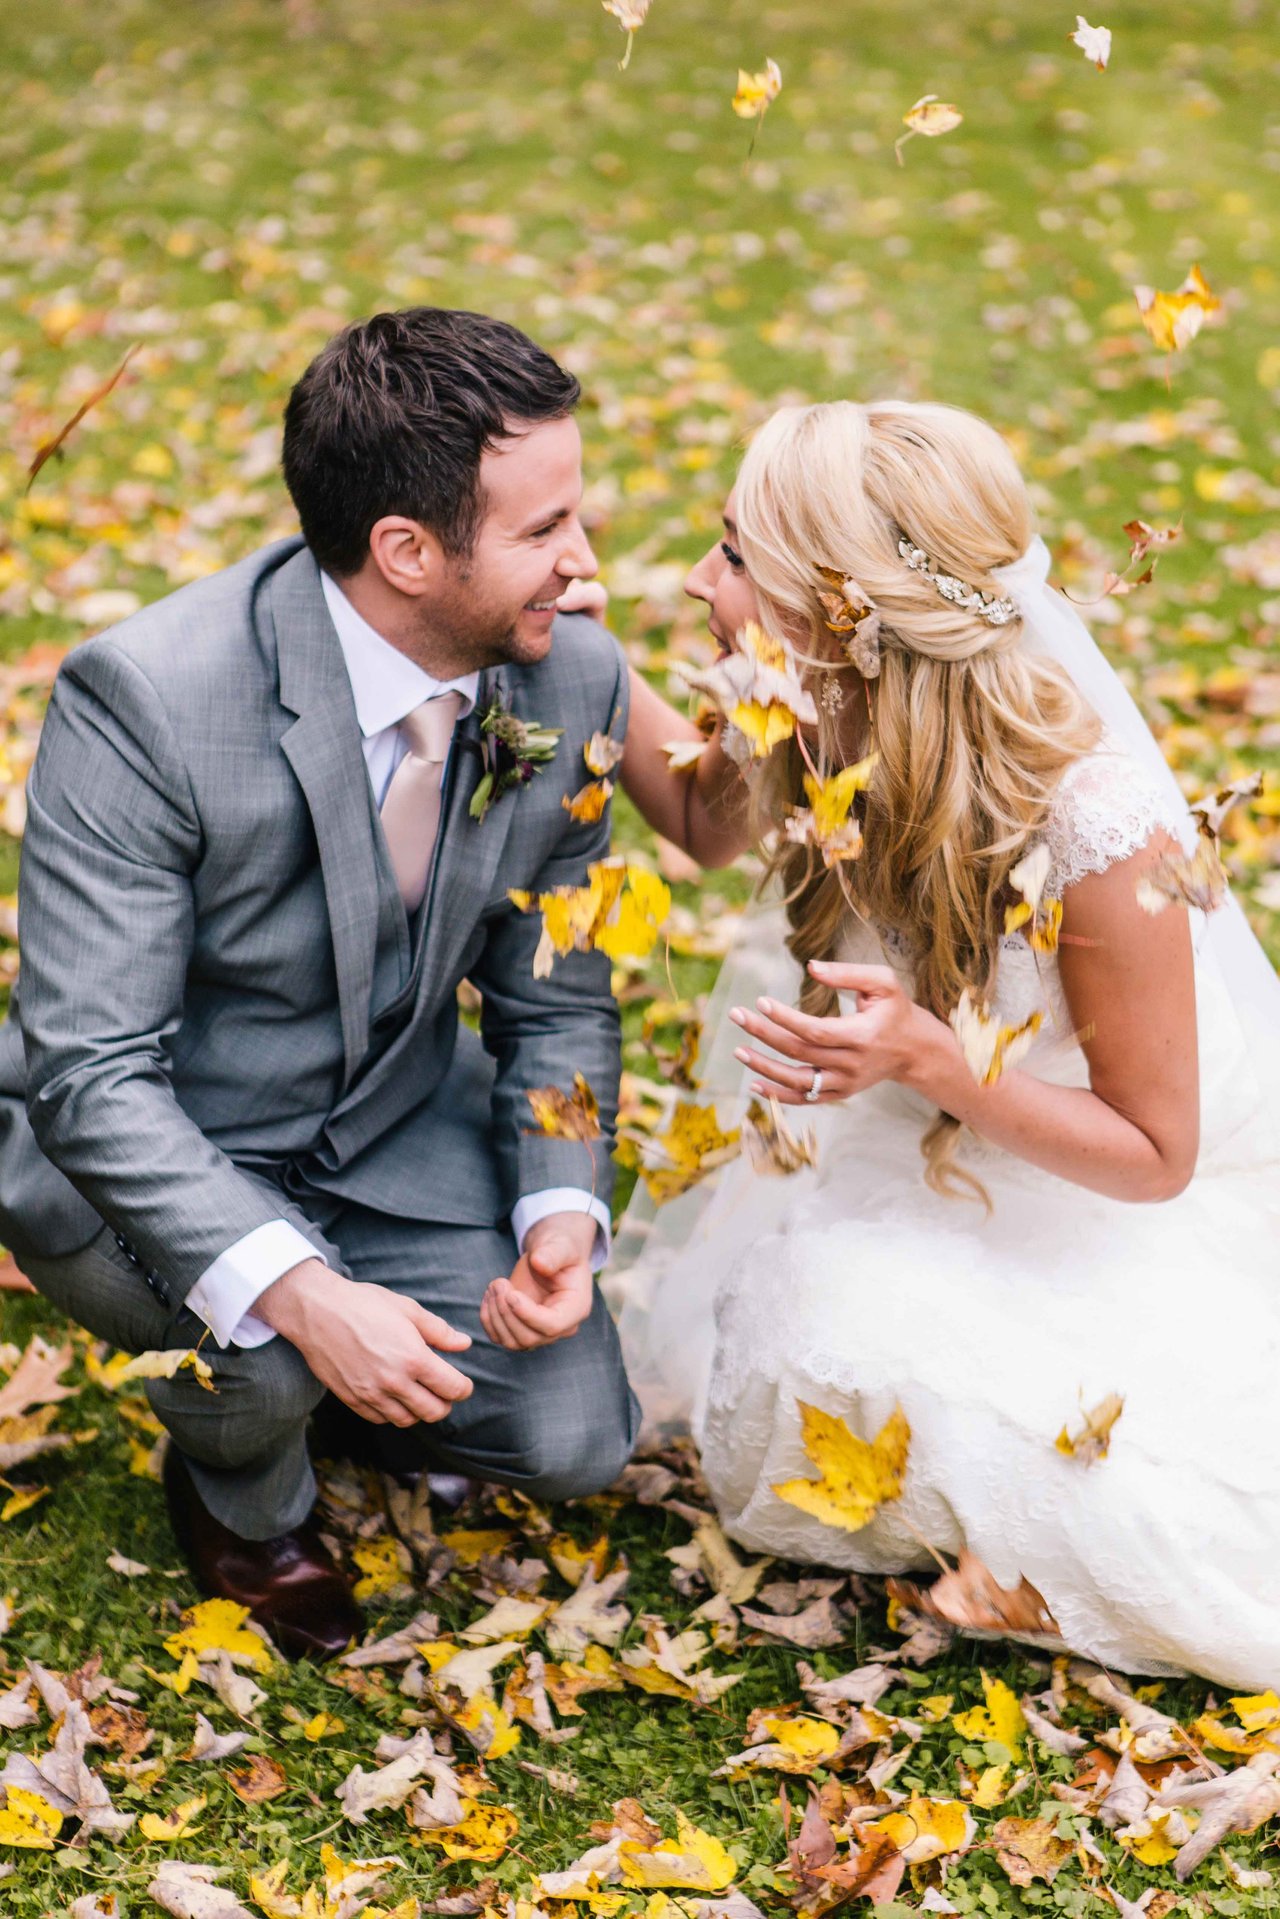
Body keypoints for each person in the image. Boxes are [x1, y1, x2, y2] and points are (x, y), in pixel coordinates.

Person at [608, 399, 1280, 1689]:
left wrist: (929, 1062)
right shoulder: (812, 712)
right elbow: (700, 818)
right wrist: (559, 631)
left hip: (1101, 1201)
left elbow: (1155, 1156)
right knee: (794, 1353)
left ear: (841, 610)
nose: (696, 581)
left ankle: (1056, 1529)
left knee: (1168, 1510)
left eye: (736, 558)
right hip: (918, 1162)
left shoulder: (1097, 819)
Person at [0, 307, 640, 1660]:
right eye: (544, 531)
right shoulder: (149, 700)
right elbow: (91, 1077)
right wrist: (300, 1292)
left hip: (392, 1123)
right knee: (271, 1344)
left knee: (576, 1437)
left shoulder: (568, 681)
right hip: (154, 1142)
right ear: (406, 552)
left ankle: (350, 1363)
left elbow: (558, 998)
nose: (584, 566)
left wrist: (561, 1210)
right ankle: (242, 1481)